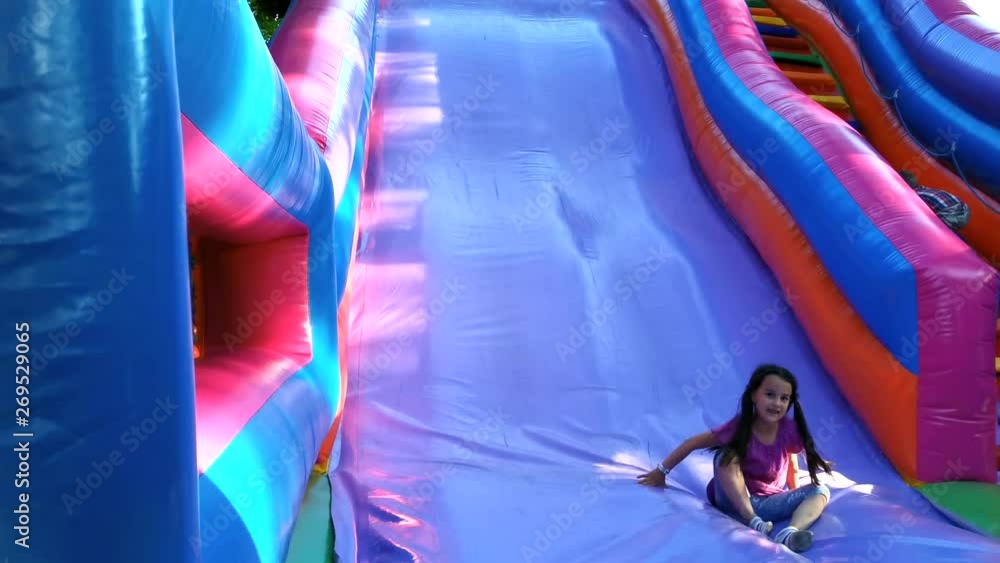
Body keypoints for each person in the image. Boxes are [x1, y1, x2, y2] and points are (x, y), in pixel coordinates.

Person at [636, 364, 833, 553]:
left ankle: (790, 534)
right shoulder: (740, 427)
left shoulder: (789, 429)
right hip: (733, 501)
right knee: (724, 456)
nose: (777, 403)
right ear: (754, 395)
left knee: (820, 489)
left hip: (768, 505)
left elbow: (791, 458)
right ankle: (752, 520)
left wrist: (794, 491)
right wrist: (661, 472)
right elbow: (692, 442)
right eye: (770, 395)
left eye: (784, 398)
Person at [898, 170, 970, 233]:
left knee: (935, 229)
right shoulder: (925, 189)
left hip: (950, 214)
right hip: (964, 210)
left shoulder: (916, 195)